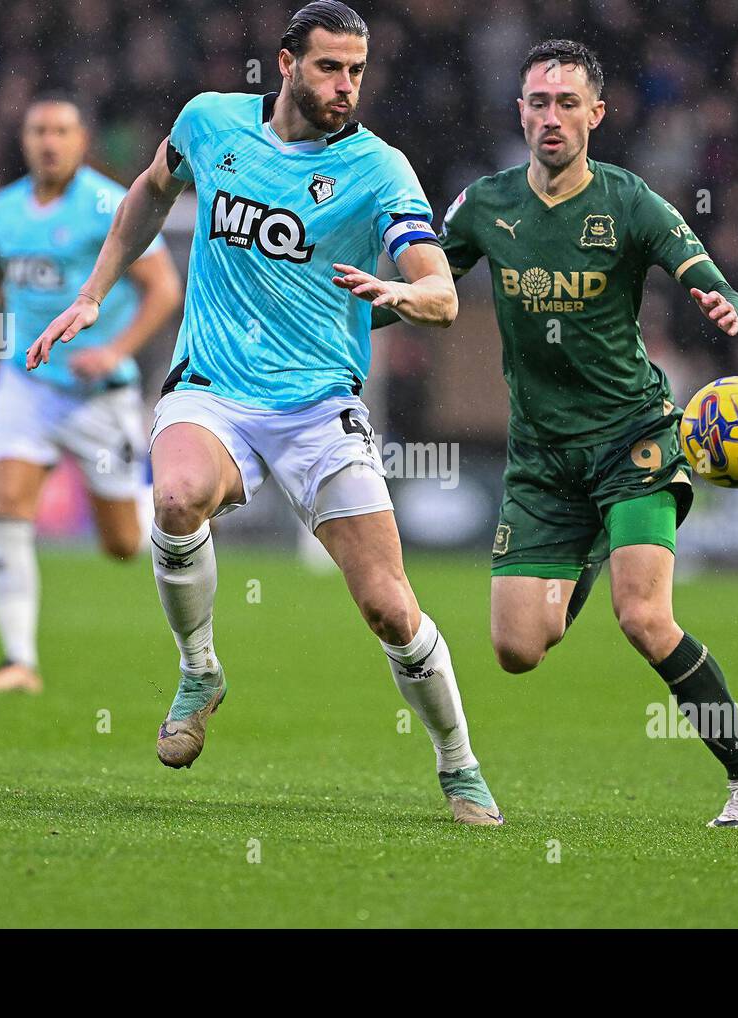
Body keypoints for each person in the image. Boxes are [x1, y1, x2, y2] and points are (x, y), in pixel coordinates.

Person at [26, 2, 503, 824]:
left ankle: (458, 764)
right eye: (329, 67)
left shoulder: (379, 169)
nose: (346, 85)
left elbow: (440, 288)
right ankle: (201, 668)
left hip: (320, 405)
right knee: (173, 500)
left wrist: (404, 290)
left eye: (357, 70)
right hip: (212, 385)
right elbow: (150, 189)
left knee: (390, 606)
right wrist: (93, 291)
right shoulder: (210, 122)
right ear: (286, 64)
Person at [376, 40, 738, 828]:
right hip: (540, 460)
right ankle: (593, 544)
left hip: (634, 439)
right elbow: (431, 282)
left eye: (568, 103)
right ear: (519, 111)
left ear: (597, 114)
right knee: (518, 648)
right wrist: (367, 303)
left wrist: (718, 295)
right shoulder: (486, 205)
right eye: (538, 102)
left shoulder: (628, 201)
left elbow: (693, 258)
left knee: (644, 618)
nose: (551, 116)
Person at [0, 91, 182, 694]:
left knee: (122, 545)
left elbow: (164, 288)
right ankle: (19, 662)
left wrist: (114, 350)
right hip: (24, 385)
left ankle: (163, 507)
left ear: (81, 141)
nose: (49, 142)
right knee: (5, 507)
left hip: (99, 394)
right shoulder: (4, 210)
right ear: (24, 140)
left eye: (61, 131)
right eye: (38, 131)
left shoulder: (110, 204)